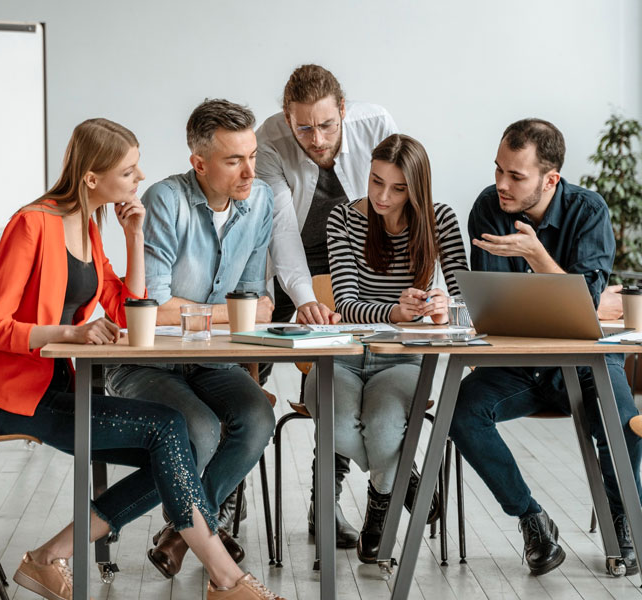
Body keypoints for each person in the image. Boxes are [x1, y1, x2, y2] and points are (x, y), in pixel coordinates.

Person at [0, 118, 283, 600]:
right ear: (92, 177)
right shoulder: (32, 223)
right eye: (129, 171)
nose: (140, 178)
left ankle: (48, 558)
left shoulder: (88, 226)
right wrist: (69, 332)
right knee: (169, 431)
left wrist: (134, 235)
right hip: (7, 399)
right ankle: (227, 579)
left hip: (56, 390)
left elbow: (128, 307)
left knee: (178, 449)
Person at [449, 118, 642, 577]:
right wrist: (571, 296)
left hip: (586, 359)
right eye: (499, 169)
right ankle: (531, 518)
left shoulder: (588, 211)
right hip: (519, 363)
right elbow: (495, 304)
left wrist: (537, 257)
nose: (501, 184)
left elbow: (583, 305)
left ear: (550, 179)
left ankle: (625, 522)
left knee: (623, 422)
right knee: (461, 412)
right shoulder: (488, 208)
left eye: (516, 176)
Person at [105, 100, 276, 578]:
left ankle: (185, 531)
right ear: (199, 163)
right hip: (147, 362)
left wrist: (234, 314)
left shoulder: (260, 200)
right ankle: (203, 531)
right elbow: (153, 307)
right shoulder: (165, 200)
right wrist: (231, 314)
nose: (249, 172)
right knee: (198, 428)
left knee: (257, 417)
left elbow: (255, 303)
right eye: (233, 160)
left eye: (252, 156)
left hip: (212, 360)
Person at [303, 134, 467, 563]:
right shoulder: (343, 218)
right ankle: (405, 479)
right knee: (337, 427)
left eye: (397, 188)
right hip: (340, 355)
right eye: (376, 181)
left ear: (417, 189)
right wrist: (395, 311)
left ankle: (378, 513)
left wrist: (445, 307)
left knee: (383, 427)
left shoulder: (440, 220)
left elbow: (469, 304)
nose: (382, 196)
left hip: (402, 359)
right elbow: (347, 304)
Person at [254, 64, 398, 547]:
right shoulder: (269, 141)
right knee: (245, 368)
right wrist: (306, 300)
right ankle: (227, 496)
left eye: (327, 125)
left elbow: (396, 202)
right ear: (287, 118)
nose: (317, 139)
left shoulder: (376, 124)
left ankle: (325, 503)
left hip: (357, 259)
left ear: (343, 110)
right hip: (289, 261)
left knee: (341, 373)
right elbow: (281, 232)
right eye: (304, 128)